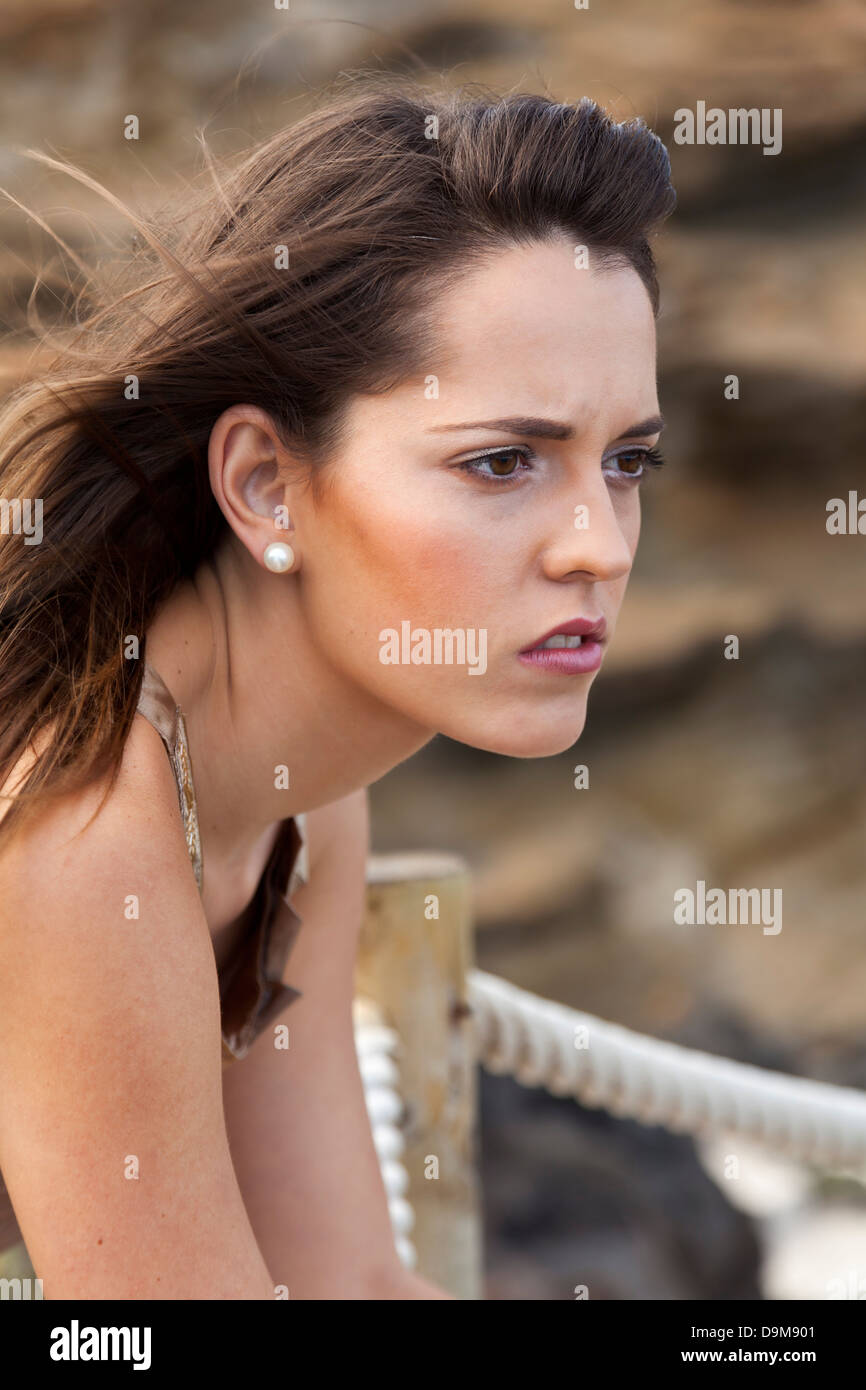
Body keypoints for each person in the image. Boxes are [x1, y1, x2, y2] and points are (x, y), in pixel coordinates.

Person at [0, 73, 675, 1299]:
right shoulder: (82, 821)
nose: (600, 546)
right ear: (265, 483)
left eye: (624, 460)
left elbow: (346, 1280)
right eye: (501, 461)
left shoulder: (299, 793)